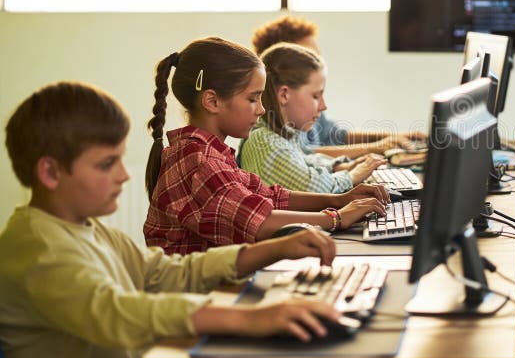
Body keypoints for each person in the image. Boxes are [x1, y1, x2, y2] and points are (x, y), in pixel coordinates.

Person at [0, 81, 344, 358]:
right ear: (50, 171)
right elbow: (116, 311)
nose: (123, 175)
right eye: (106, 164)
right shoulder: (37, 249)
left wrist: (276, 249)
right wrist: (251, 318)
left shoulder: (87, 229)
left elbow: (164, 273)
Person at [144, 37, 387, 255]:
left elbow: (271, 197)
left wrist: (338, 199)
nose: (261, 109)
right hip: (199, 294)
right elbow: (258, 220)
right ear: (212, 101)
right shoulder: (198, 162)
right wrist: (337, 218)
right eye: (252, 99)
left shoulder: (210, 153)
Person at [251, 15, 426, 159]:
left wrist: (392, 137)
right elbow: (303, 154)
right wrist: (373, 148)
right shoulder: (269, 120)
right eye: (308, 57)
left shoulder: (308, 107)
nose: (317, 63)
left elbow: (336, 136)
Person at [240, 43, 385, 193]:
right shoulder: (264, 141)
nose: (323, 106)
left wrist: (339, 166)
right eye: (316, 96)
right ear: (284, 95)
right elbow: (312, 188)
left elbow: (306, 160)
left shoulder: (284, 133)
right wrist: (352, 176)